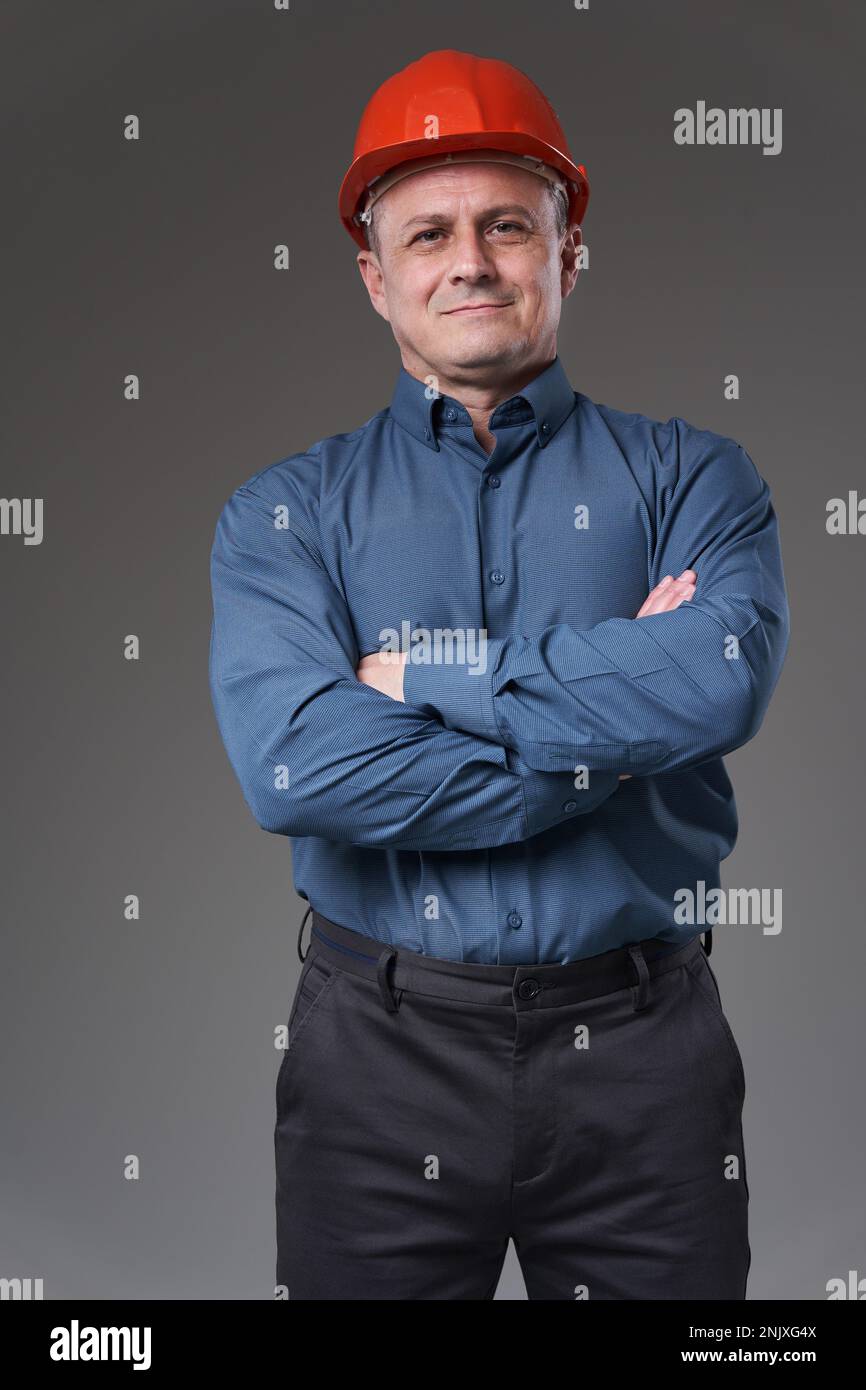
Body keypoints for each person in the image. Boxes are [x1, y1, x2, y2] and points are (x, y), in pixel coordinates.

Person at [208, 49, 790, 1300]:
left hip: (646, 1063)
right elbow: (295, 766)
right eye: (427, 233)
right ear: (376, 276)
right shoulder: (284, 515)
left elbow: (716, 687)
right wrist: (607, 746)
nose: (468, 259)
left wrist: (423, 678)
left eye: (505, 224)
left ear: (566, 248)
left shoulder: (699, 480)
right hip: (377, 1056)